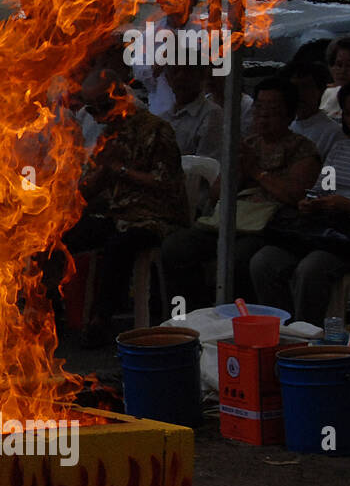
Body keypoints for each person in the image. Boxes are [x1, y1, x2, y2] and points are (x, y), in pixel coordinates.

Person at [162, 78, 320, 310]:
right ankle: (193, 313)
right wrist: (234, 172)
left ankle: (241, 317)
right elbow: (217, 194)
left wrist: (257, 172)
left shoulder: (303, 150)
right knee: (176, 247)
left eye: (273, 111)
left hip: (270, 225)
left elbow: (294, 195)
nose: (263, 116)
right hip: (231, 218)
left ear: (289, 114)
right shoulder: (247, 144)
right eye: (259, 109)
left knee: (239, 258)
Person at [58, 67, 188, 346]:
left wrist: (121, 170)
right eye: (92, 111)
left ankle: (100, 320)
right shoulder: (107, 135)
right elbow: (89, 188)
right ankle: (52, 311)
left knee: (120, 245)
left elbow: (167, 183)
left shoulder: (155, 129)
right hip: (116, 212)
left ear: (119, 98)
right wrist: (99, 174)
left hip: (153, 214)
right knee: (63, 234)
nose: (99, 116)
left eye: (103, 107)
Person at [250, 76, 350, 326]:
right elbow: (322, 187)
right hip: (326, 228)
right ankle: (281, 327)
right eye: (348, 113)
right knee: (264, 261)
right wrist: (311, 202)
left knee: (312, 269)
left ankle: (307, 330)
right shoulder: (341, 149)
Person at [162, 63, 224, 159]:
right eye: (176, 71)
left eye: (188, 71)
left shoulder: (211, 114)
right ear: (168, 78)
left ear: (202, 76)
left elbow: (204, 166)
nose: (181, 77)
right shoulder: (163, 115)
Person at [287, 58, 343, 160]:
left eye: (305, 87)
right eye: (294, 87)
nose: (299, 93)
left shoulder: (333, 133)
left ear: (320, 90)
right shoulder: (286, 126)